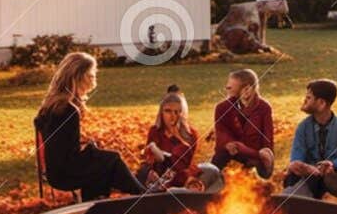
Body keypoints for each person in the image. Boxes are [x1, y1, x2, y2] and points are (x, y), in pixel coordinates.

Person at [34, 51, 142, 201]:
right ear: (79, 77)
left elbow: (59, 145)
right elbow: (72, 157)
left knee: (102, 164)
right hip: (65, 174)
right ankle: (142, 194)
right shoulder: (68, 110)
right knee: (112, 159)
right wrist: (90, 149)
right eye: (91, 75)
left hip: (54, 172)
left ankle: (97, 203)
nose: (94, 80)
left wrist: (89, 148)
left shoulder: (51, 106)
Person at [136, 85, 222, 191]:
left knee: (209, 170)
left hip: (178, 176)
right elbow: (148, 158)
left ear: (182, 113)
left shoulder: (190, 134)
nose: (172, 116)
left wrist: (159, 153)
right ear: (161, 113)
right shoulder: (155, 131)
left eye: (176, 112)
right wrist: (150, 171)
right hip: (156, 177)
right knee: (142, 174)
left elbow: (179, 164)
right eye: (168, 111)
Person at [283, 78, 337, 199]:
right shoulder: (303, 127)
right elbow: (297, 155)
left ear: (321, 103)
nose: (304, 101)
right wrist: (299, 165)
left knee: (330, 180)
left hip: (334, 177)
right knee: (294, 180)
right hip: (309, 177)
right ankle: (294, 200)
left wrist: (331, 164)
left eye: (309, 98)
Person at [211, 68, 274, 179]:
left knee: (261, 173)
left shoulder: (264, 108)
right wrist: (228, 143)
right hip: (231, 153)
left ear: (247, 89)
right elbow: (221, 133)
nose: (227, 87)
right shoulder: (222, 108)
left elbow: (267, 140)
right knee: (215, 166)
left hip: (254, 157)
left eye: (231, 86)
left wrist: (264, 155)